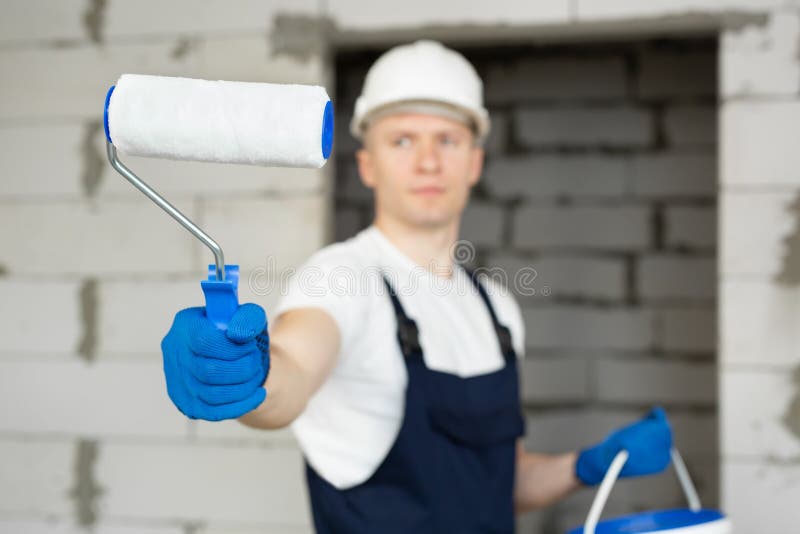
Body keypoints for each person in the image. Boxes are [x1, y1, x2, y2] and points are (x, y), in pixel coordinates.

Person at [160, 40, 673, 533]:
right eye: (402, 139)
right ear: (368, 164)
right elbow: (292, 372)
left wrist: (589, 466)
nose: (428, 161)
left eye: (447, 140)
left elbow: (496, 484)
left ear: (474, 162)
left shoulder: (495, 308)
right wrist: (250, 377)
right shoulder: (341, 278)